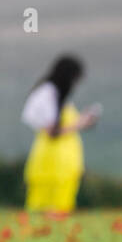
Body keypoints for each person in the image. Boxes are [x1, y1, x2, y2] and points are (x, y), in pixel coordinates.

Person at [22, 55, 100, 215]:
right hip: (55, 156)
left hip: (62, 155)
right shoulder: (48, 93)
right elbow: (52, 131)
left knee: (60, 197)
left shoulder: (56, 95)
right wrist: (81, 123)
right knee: (51, 197)